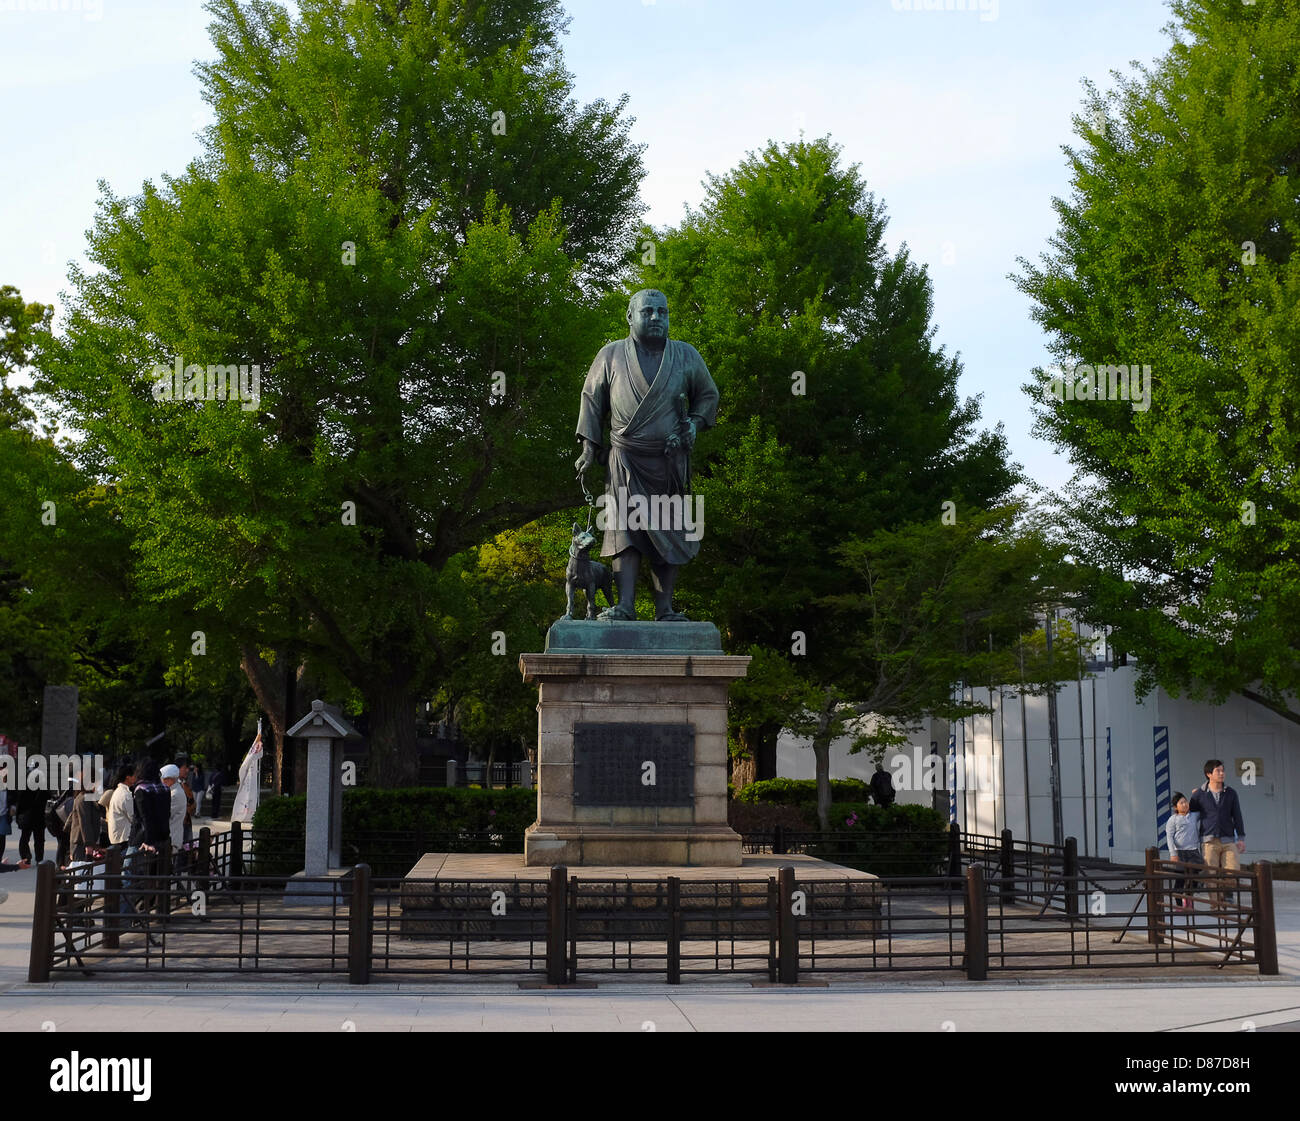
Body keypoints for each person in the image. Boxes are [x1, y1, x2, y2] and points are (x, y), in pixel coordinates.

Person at [575, 289, 719, 621]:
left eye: (662, 312)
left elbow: (708, 395)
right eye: (648, 312)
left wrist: (695, 425)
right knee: (624, 530)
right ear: (630, 317)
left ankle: (664, 608)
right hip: (625, 458)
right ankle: (624, 606)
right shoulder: (610, 355)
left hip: (670, 460)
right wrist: (588, 448)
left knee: (669, 531)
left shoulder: (685, 355)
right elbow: (592, 402)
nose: (656, 317)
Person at [1188, 759, 1246, 909]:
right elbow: (1190, 816)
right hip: (1208, 839)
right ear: (1209, 774)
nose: (1221, 773)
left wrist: (1240, 838)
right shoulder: (1199, 794)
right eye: (1218, 771)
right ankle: (1215, 903)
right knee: (1211, 873)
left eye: (1222, 770)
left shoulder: (1231, 793)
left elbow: (1237, 815)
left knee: (1232, 870)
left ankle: (1227, 895)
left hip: (1228, 838)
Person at [1164, 792, 1202, 911]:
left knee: (1194, 878)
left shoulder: (1194, 816)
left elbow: (1204, 807)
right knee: (1180, 879)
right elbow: (1169, 837)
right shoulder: (1173, 820)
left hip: (1193, 851)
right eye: (1181, 803)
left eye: (1186, 802)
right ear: (1176, 807)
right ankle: (1179, 904)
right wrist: (1173, 853)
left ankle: (1188, 898)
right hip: (1180, 852)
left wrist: (1197, 795)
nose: (1185, 804)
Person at [15, 786, 48, 867]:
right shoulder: (43, 789)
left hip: (27, 817)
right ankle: (39, 859)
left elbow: (19, 803)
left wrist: (18, 817)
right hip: (39, 817)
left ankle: (26, 857)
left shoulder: (25, 788)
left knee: (24, 838)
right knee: (39, 840)